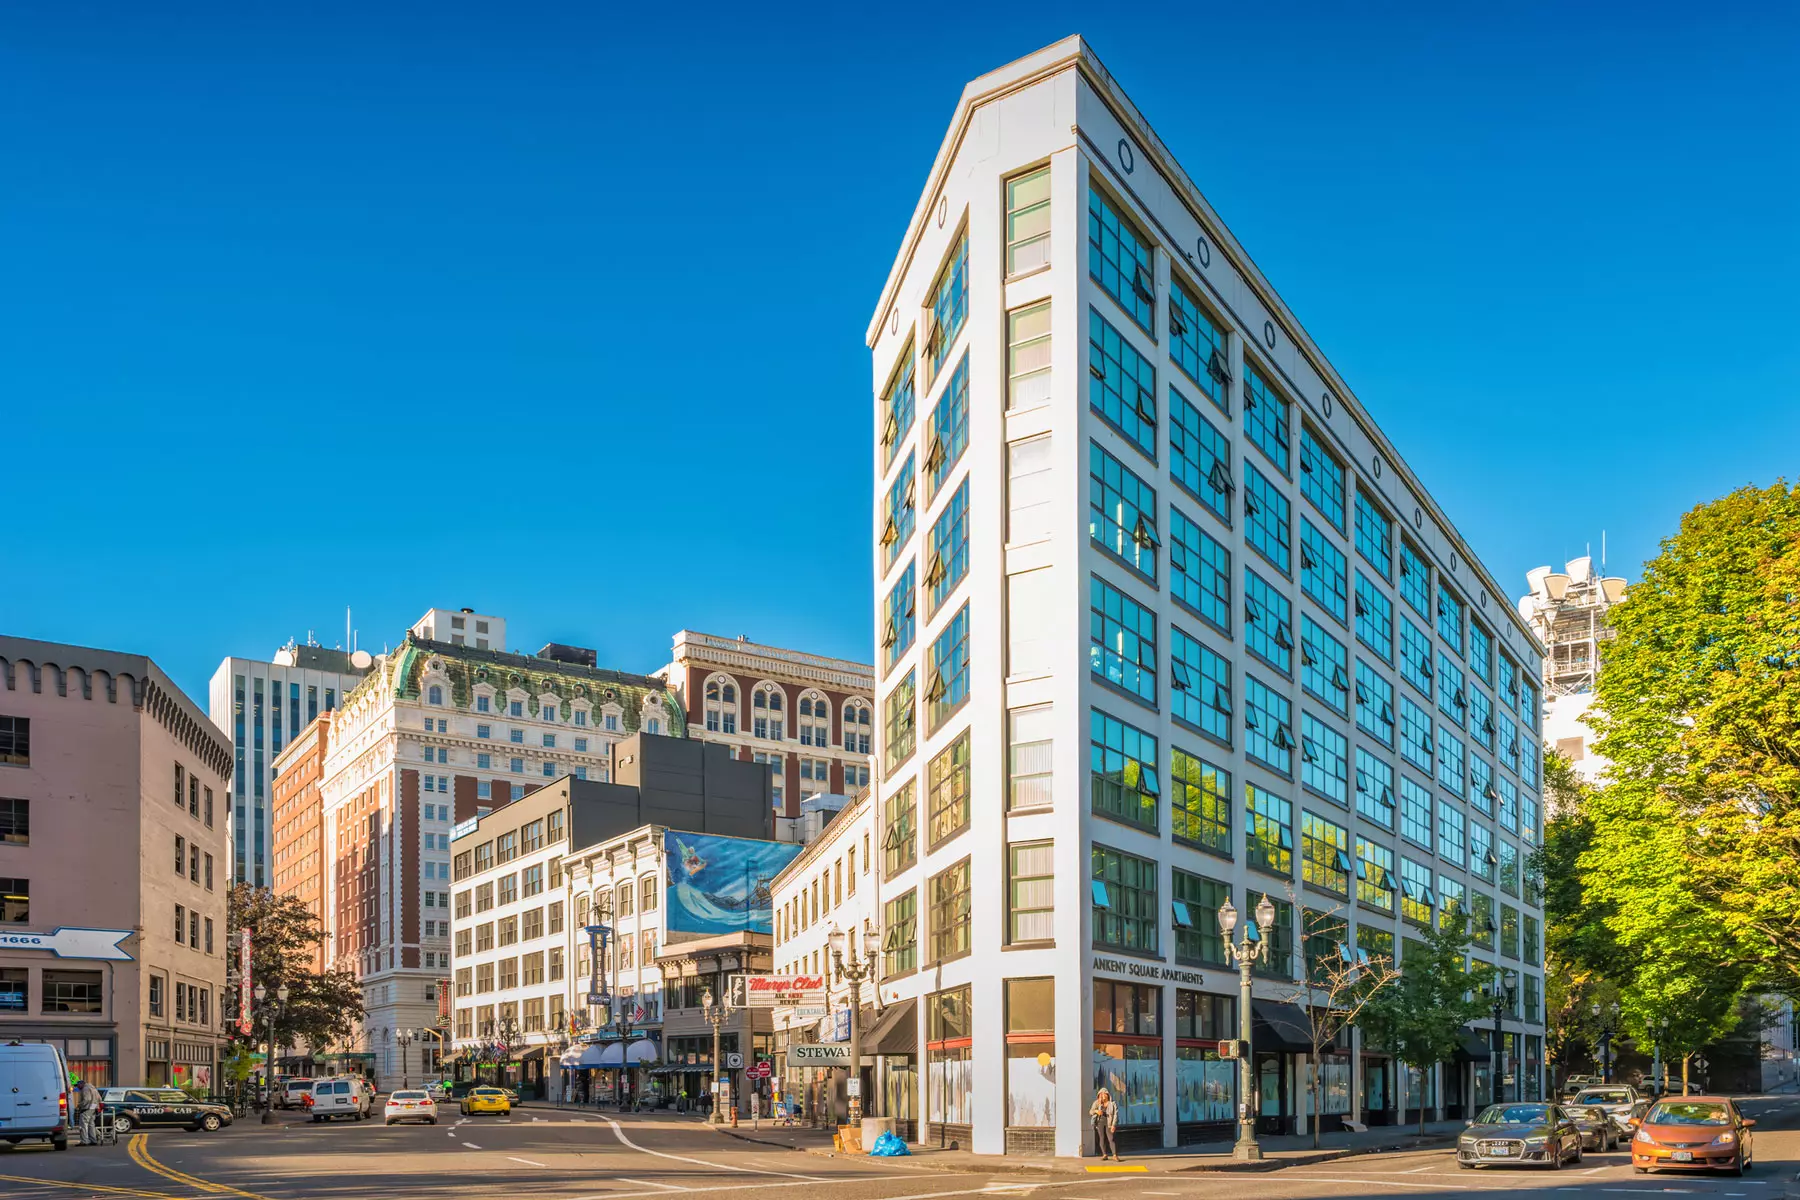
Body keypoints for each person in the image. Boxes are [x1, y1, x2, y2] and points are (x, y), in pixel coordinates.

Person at [1090, 1086, 1119, 1161]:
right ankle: (1104, 1154)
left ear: (1107, 1095)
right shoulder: (1097, 1103)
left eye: (1104, 1094)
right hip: (1100, 1123)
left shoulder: (1112, 1104)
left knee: (1111, 1138)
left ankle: (1114, 1155)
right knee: (1102, 1138)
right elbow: (1091, 1111)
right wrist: (1097, 1111)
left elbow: (1116, 1114)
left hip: (1109, 1123)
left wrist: (1113, 1125)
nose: (1102, 1096)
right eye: (1101, 1094)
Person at [73, 1077, 102, 1146]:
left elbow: (87, 1099)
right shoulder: (93, 1088)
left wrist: (79, 1105)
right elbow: (99, 1098)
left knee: (83, 1125)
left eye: (77, 1085)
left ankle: (84, 1141)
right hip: (94, 1107)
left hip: (86, 1108)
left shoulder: (85, 1089)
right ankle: (93, 1140)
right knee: (91, 1124)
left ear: (81, 1084)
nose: (77, 1087)